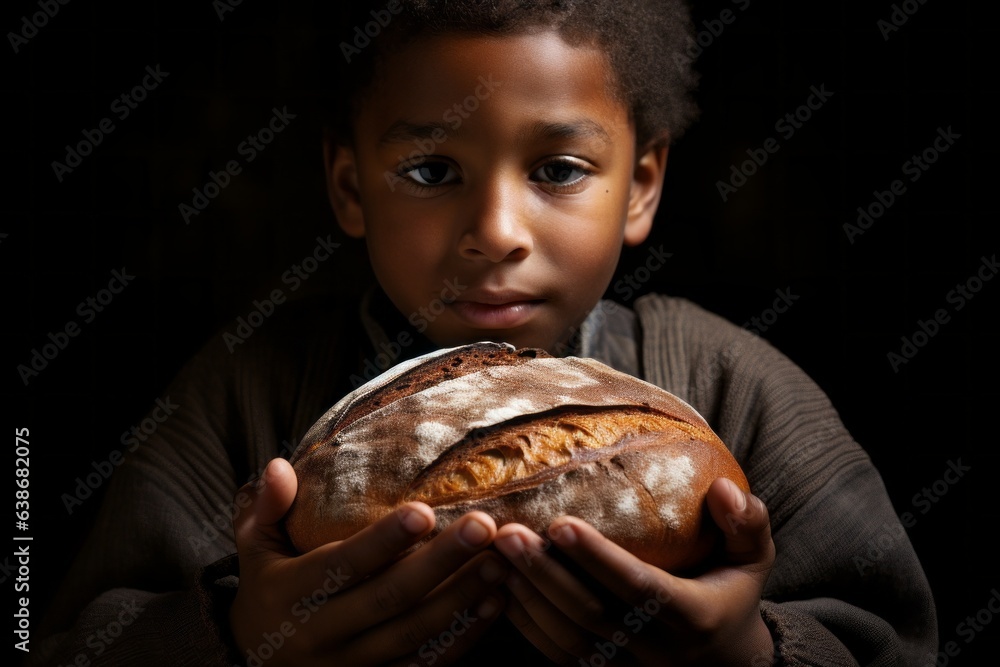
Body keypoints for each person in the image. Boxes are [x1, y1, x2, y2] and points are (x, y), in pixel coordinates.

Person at [30, 1, 938, 665]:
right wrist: (235, 634)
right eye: (432, 169)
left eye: (557, 168)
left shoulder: (739, 389)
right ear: (350, 188)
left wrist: (757, 652)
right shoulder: (244, 391)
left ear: (644, 185)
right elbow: (65, 645)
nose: (496, 229)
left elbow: (898, 642)